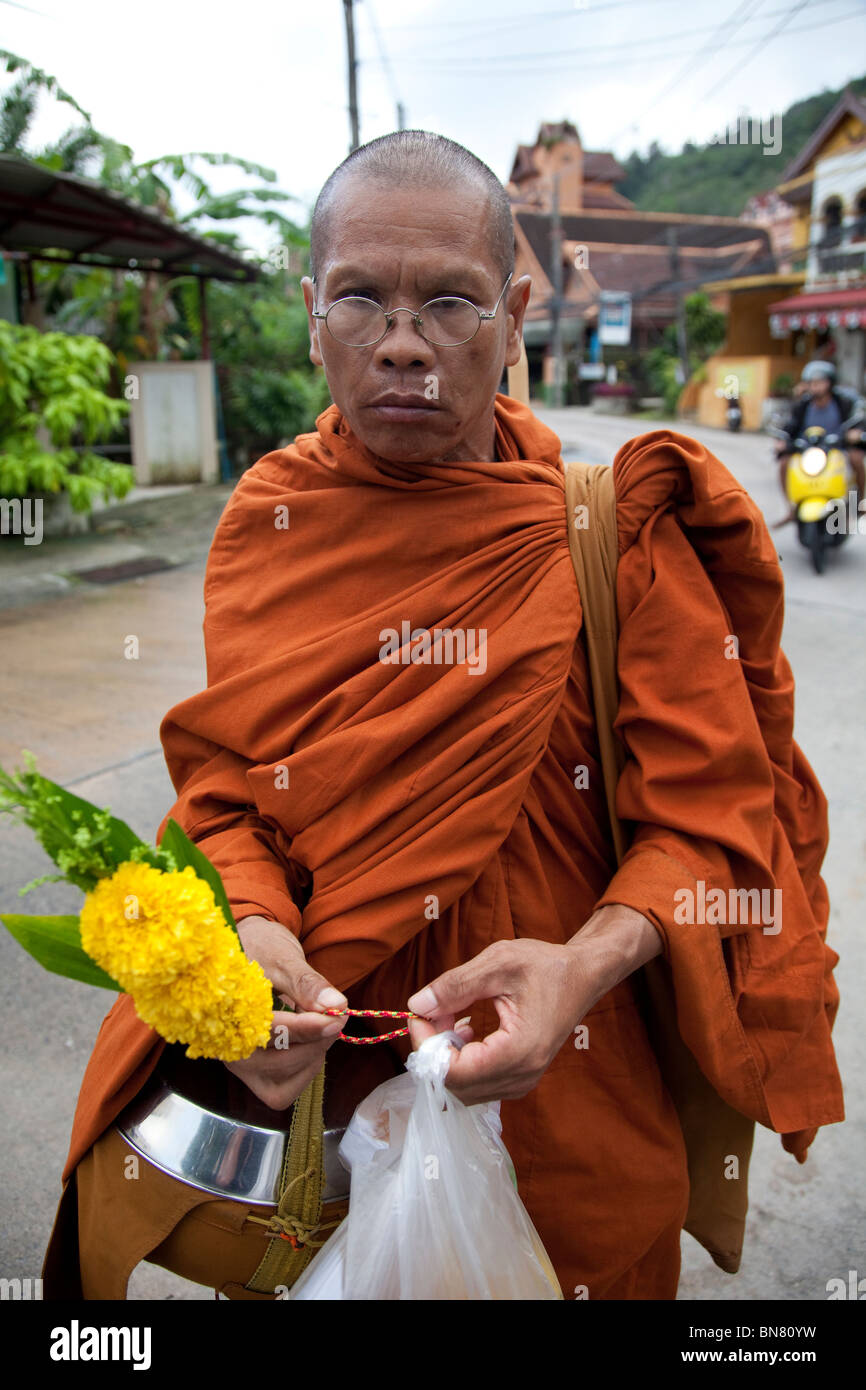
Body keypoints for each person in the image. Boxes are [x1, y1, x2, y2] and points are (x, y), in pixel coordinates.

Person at [43, 130, 843, 1302]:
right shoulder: (273, 522)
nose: (404, 342)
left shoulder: (611, 538)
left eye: (451, 303)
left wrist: (580, 964)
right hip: (326, 1124)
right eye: (361, 299)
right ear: (312, 315)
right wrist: (254, 932)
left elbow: (717, 823)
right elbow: (231, 793)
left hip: (570, 1098)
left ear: (516, 315)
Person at [775, 360, 865, 503]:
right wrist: (782, 441)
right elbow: (790, 426)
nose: (815, 387)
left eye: (819, 382)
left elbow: (856, 421)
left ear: (830, 383)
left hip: (837, 448)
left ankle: (861, 502)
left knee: (857, 458)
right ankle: (791, 506)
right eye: (811, 383)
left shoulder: (843, 403)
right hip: (807, 449)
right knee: (784, 463)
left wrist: (855, 433)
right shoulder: (802, 405)